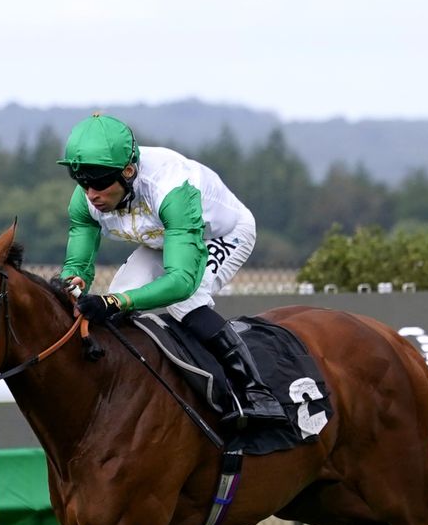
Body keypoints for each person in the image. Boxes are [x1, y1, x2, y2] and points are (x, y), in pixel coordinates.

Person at [57, 113, 288, 425]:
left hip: (221, 234)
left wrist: (113, 303)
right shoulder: (86, 199)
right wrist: (74, 283)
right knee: (119, 295)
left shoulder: (170, 187)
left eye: (98, 183)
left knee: (183, 301)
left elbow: (181, 281)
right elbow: (79, 267)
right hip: (165, 240)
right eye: (82, 183)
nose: (91, 195)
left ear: (128, 171)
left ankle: (256, 392)